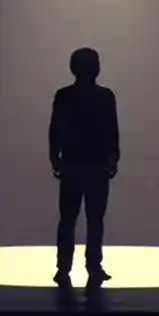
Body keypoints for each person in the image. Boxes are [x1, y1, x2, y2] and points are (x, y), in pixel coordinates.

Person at [48, 47, 119, 285]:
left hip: (73, 162)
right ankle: (93, 266)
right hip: (96, 163)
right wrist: (114, 157)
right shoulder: (105, 96)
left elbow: (55, 129)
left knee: (68, 218)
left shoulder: (64, 96)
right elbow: (112, 131)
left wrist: (54, 156)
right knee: (94, 218)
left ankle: (63, 267)